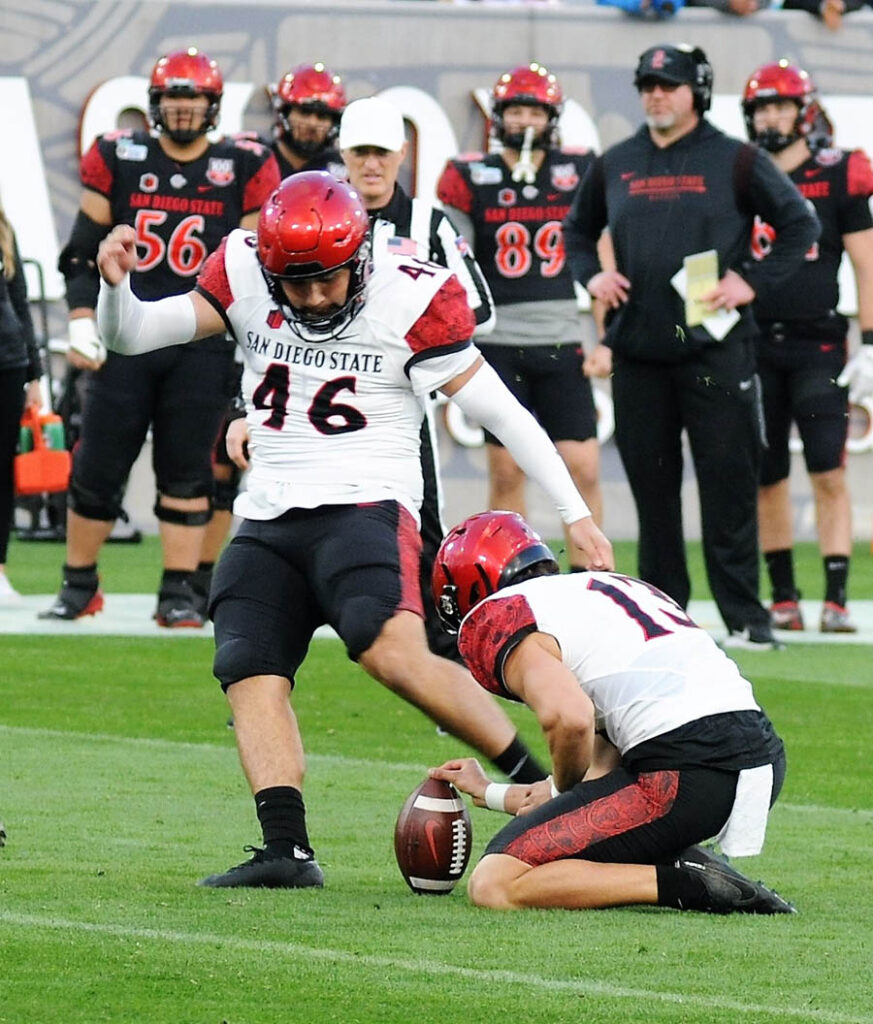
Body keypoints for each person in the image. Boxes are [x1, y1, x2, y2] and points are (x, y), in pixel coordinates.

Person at [93, 171, 614, 889]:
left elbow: (504, 414)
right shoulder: (243, 264)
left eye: (324, 281)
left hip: (366, 502)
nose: (308, 297)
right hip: (269, 507)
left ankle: (539, 789)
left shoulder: (408, 291)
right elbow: (132, 335)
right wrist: (115, 288)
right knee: (247, 668)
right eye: (293, 283)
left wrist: (576, 514)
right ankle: (287, 850)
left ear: (360, 256)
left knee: (390, 652)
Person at [563, 43, 820, 650]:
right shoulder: (616, 161)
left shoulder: (735, 158)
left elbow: (800, 223)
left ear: (696, 92)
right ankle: (664, 620)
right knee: (653, 495)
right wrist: (591, 276)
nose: (656, 94)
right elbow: (577, 229)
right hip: (639, 353)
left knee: (729, 485)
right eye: (647, 84)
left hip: (715, 352)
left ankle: (746, 618)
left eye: (668, 85)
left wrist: (750, 281)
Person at [429, 510, 794, 914]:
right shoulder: (599, 590)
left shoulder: (502, 615)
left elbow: (570, 718)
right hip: (752, 754)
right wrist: (492, 793)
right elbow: (596, 781)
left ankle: (689, 882)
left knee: (495, 884)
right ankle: (682, 865)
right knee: (569, 835)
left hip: (683, 770)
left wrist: (561, 790)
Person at [40, 48, 280, 626]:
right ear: (154, 103)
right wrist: (80, 316)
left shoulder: (244, 164)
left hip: (201, 336)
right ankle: (79, 584)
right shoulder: (120, 155)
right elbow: (82, 247)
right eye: (172, 96)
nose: (181, 108)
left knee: (187, 467)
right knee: (97, 462)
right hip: (128, 329)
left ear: (212, 105)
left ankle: (177, 591)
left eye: (191, 98)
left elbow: (250, 266)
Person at [338, 94, 495, 660]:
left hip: (400, 405)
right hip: (322, 397)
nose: (371, 165)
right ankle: (271, 670)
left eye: (381, 152)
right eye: (360, 152)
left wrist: (410, 343)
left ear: (402, 154)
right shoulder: (318, 213)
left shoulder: (429, 222)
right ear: (344, 154)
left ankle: (445, 659)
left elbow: (478, 306)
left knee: (425, 525)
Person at [436, 63, 603, 570]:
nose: (526, 121)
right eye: (516, 110)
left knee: (584, 466)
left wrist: (605, 331)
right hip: (498, 340)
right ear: (498, 117)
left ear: (552, 117)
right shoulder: (469, 174)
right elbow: (454, 258)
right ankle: (516, 571)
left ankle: (591, 574)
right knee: (507, 469)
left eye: (535, 110)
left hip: (559, 336)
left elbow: (603, 250)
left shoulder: (579, 170)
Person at [742, 61, 873, 635]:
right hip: (752, 343)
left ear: (804, 110)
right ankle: (785, 595)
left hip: (818, 342)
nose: (771, 116)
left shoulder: (839, 170)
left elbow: (868, 264)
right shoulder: (741, 174)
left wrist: (869, 343)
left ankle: (837, 597)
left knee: (827, 468)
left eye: (780, 105)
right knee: (766, 474)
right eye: (761, 107)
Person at [0, 196, 43, 601]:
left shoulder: (5, 232)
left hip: (7, 363)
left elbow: (20, 306)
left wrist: (36, 375)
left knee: (2, 470)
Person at [269, 62, 347, 180]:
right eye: (304, 113)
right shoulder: (258, 162)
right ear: (285, 113)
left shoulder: (345, 171)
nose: (312, 123)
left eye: (322, 116)